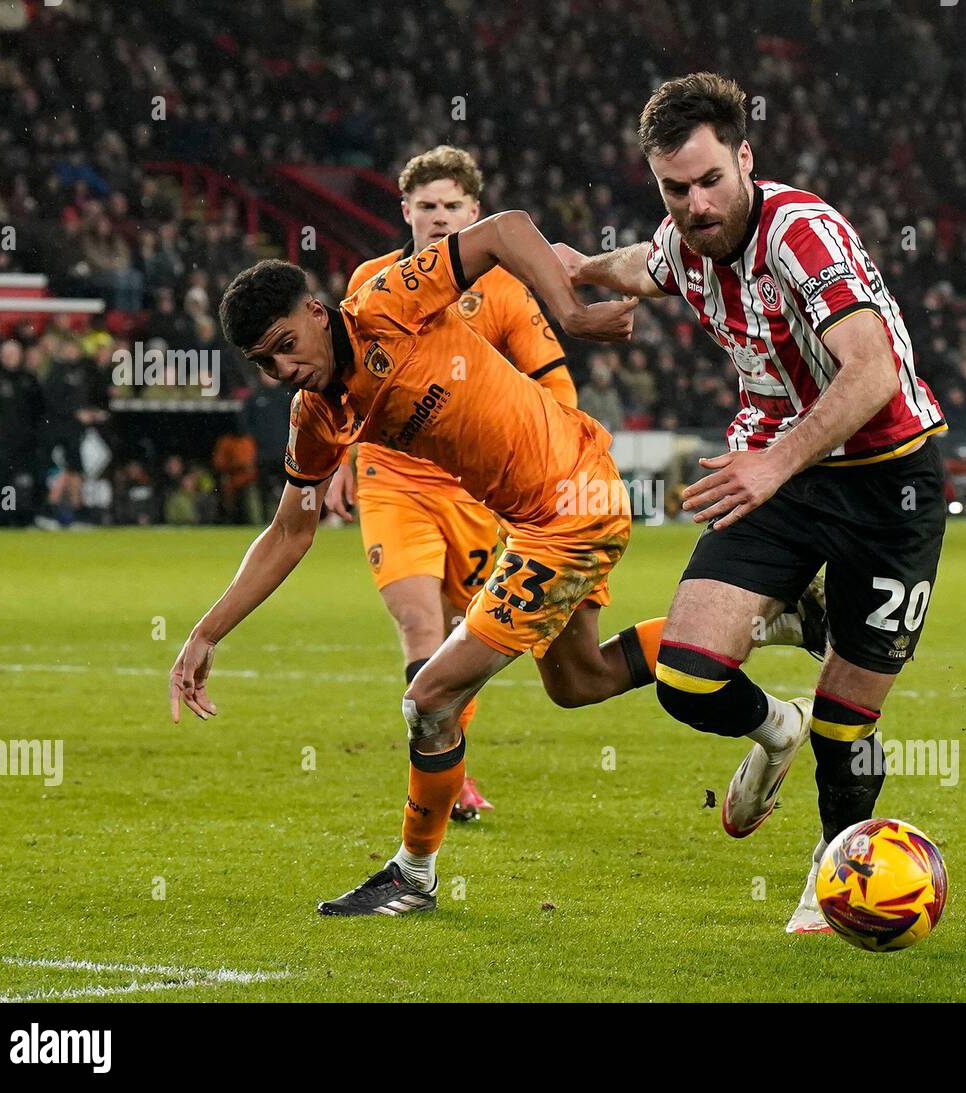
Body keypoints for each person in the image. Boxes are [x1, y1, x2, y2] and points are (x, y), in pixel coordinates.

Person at [170, 211, 665, 917]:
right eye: (264, 362)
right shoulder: (316, 415)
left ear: (316, 312)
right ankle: (762, 621)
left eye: (284, 345)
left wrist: (573, 315)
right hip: (535, 520)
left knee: (429, 696)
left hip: (571, 504)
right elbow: (288, 531)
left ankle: (413, 873)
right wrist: (205, 632)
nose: (282, 369)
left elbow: (505, 230)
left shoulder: (388, 302)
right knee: (580, 680)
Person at [556, 73, 947, 933]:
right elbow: (643, 265)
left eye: (709, 182)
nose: (696, 205)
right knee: (688, 677)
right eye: (673, 189)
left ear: (744, 158)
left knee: (851, 722)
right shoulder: (682, 240)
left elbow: (874, 370)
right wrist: (580, 266)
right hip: (782, 474)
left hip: (889, 478)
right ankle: (776, 727)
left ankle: (835, 868)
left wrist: (774, 461)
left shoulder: (802, 236)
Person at [325, 145, 581, 822]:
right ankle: (446, 780)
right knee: (418, 623)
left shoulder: (502, 291)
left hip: (475, 490)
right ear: (406, 211)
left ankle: (446, 760)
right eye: (427, 207)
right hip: (391, 479)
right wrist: (331, 465)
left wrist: (562, 456)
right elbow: (340, 384)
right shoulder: (372, 280)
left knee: (462, 644)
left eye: (452, 208)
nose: (439, 219)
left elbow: (553, 380)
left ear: (474, 211)